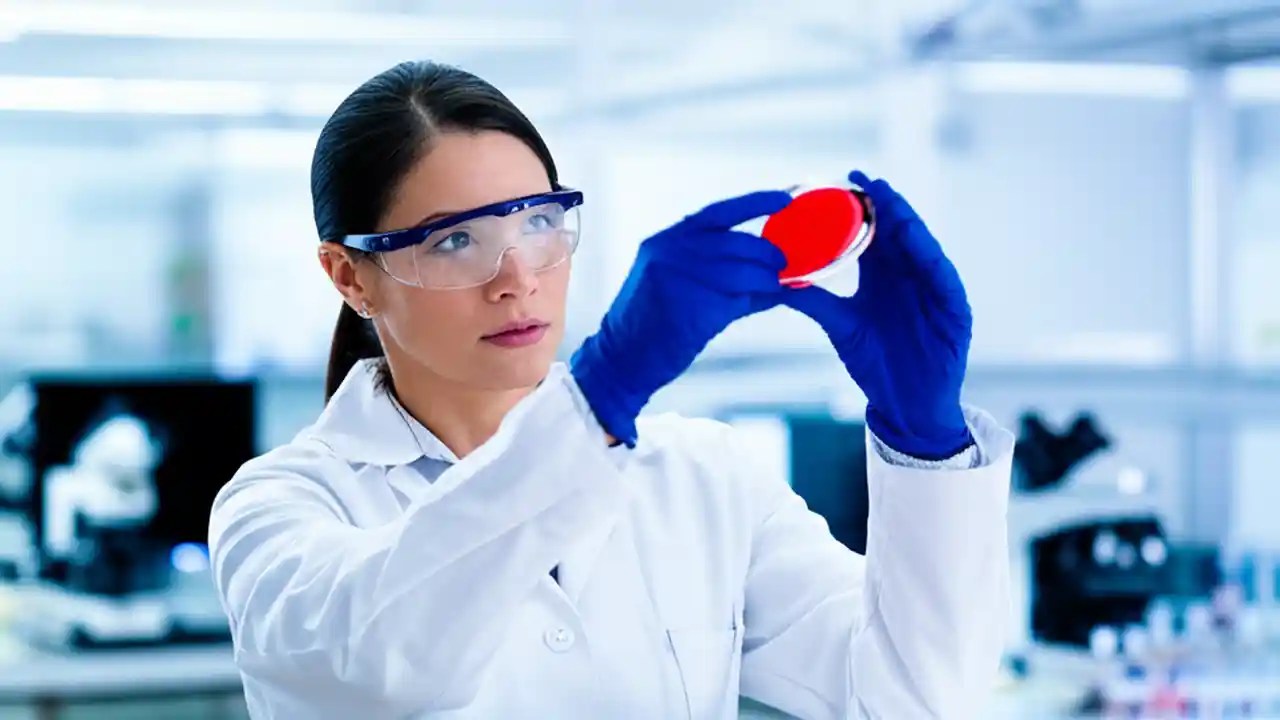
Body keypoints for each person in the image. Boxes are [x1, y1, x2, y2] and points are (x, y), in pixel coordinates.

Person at [208, 60, 1014, 720]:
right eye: (456, 240)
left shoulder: (705, 477)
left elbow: (913, 701)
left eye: (536, 223)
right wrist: (597, 401)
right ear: (350, 276)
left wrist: (925, 442)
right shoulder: (280, 508)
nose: (517, 279)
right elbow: (383, 663)